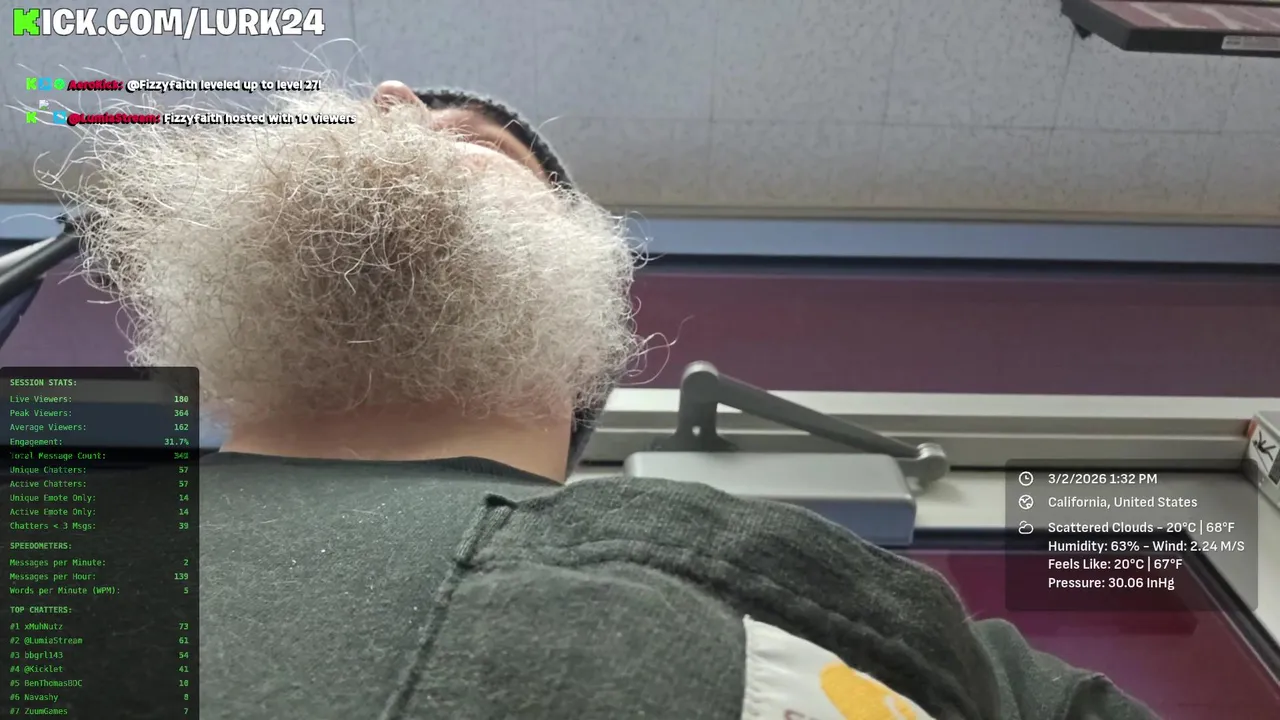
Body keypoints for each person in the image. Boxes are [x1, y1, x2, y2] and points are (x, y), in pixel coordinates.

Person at [61, 79, 1158, 720]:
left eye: (477, 144)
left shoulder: (852, 615)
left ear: (585, 338)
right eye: (371, 113)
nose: (391, 101)